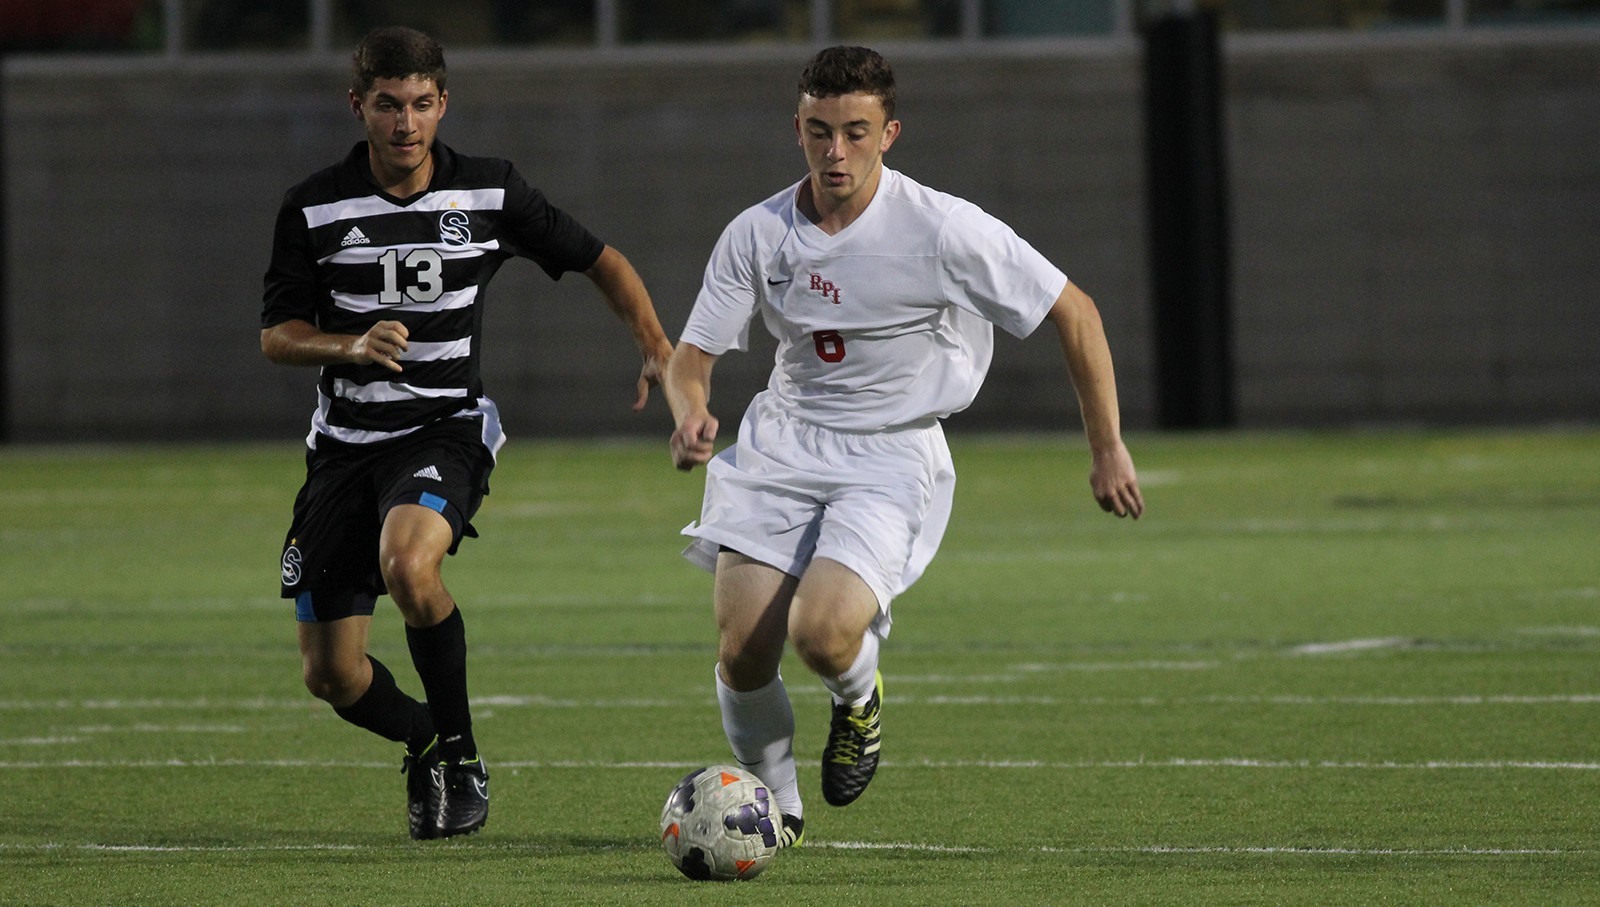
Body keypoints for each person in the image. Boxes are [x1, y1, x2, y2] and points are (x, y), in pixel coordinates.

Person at [663, 45, 1143, 847]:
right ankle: (779, 814)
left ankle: (858, 700)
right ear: (798, 129)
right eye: (820, 131)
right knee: (743, 650)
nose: (835, 151)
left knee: (822, 633)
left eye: (855, 132)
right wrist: (690, 412)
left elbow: (1077, 312)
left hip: (889, 454)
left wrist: (1108, 448)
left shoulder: (944, 229)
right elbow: (691, 359)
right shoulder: (758, 232)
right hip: (784, 443)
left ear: (890, 132)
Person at [261, 26, 672, 840]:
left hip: (442, 430)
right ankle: (422, 740)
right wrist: (351, 342)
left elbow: (601, 259)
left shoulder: (489, 192)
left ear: (443, 104)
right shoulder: (312, 205)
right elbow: (278, 334)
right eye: (388, 105)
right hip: (343, 449)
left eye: (421, 105)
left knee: (410, 564)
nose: (406, 123)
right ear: (360, 107)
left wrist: (657, 347)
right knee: (331, 674)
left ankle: (463, 753)